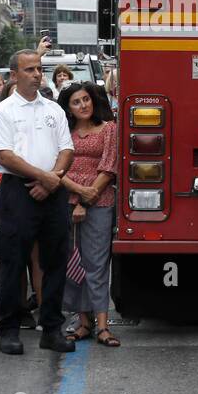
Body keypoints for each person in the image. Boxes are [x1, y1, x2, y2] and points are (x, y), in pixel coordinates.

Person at [0, 48, 76, 355]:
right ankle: (9, 329)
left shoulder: (54, 109)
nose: (37, 74)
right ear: (13, 75)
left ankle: (51, 327)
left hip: (52, 191)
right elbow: (5, 155)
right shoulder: (3, 111)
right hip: (17, 191)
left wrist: (52, 179)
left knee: (55, 261)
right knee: (13, 262)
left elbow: (67, 149)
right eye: (29, 70)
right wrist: (45, 177)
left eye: (39, 69)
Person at [57, 82, 119, 347]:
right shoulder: (63, 132)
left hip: (100, 200)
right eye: (76, 102)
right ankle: (84, 322)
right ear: (68, 108)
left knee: (96, 262)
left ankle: (103, 326)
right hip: (65, 200)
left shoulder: (109, 129)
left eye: (86, 99)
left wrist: (87, 197)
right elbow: (55, 168)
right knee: (73, 263)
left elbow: (109, 166)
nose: (83, 105)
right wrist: (77, 194)